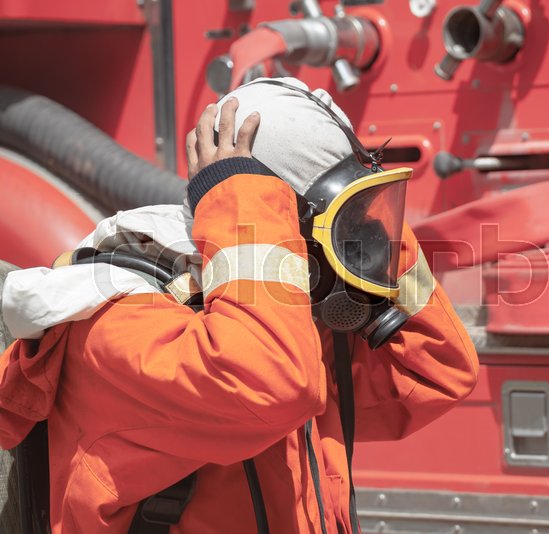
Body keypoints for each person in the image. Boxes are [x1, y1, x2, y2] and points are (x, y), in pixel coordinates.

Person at [0, 77, 478, 533]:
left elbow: (435, 373)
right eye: (347, 223)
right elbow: (266, 385)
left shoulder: (282, 312)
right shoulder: (121, 322)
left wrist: (374, 233)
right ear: (277, 219)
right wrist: (243, 200)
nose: (363, 240)